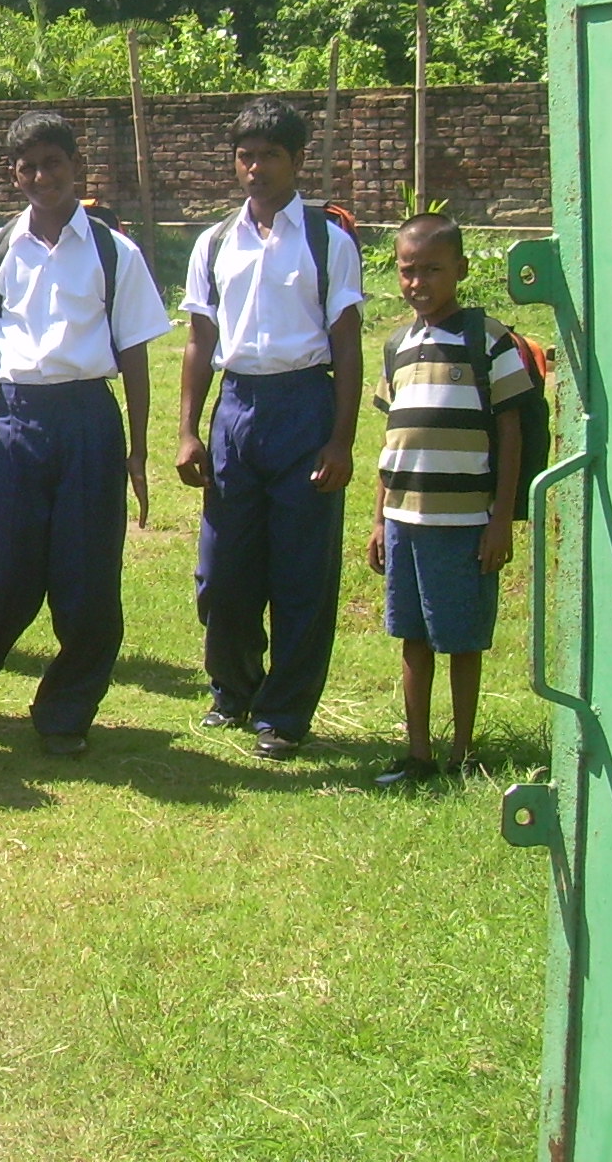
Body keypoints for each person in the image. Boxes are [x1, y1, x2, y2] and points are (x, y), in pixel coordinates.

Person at [0, 113, 172, 756]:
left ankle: (65, 713)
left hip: (89, 421)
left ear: (77, 167)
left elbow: (135, 355)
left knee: (87, 578)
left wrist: (137, 450)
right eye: (28, 166)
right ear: (14, 175)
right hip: (15, 421)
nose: (42, 177)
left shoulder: (111, 251)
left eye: (53, 163)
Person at [177, 97, 364, 761]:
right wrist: (189, 430)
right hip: (237, 409)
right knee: (224, 568)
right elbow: (200, 340)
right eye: (246, 156)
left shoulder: (326, 240)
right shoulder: (215, 242)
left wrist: (340, 440)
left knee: (301, 569)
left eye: (270, 156)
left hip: (303, 406)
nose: (256, 169)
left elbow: (346, 345)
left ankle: (284, 713)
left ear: (297, 162)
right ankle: (234, 687)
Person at [367, 215, 531, 784]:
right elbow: (392, 443)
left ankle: (463, 749)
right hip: (405, 519)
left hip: (465, 522)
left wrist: (501, 519)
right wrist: (379, 520)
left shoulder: (488, 340)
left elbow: (510, 433)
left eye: (432, 270)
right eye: (408, 271)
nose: (418, 283)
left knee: (461, 637)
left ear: (460, 270)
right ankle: (418, 752)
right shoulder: (397, 345)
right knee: (412, 636)